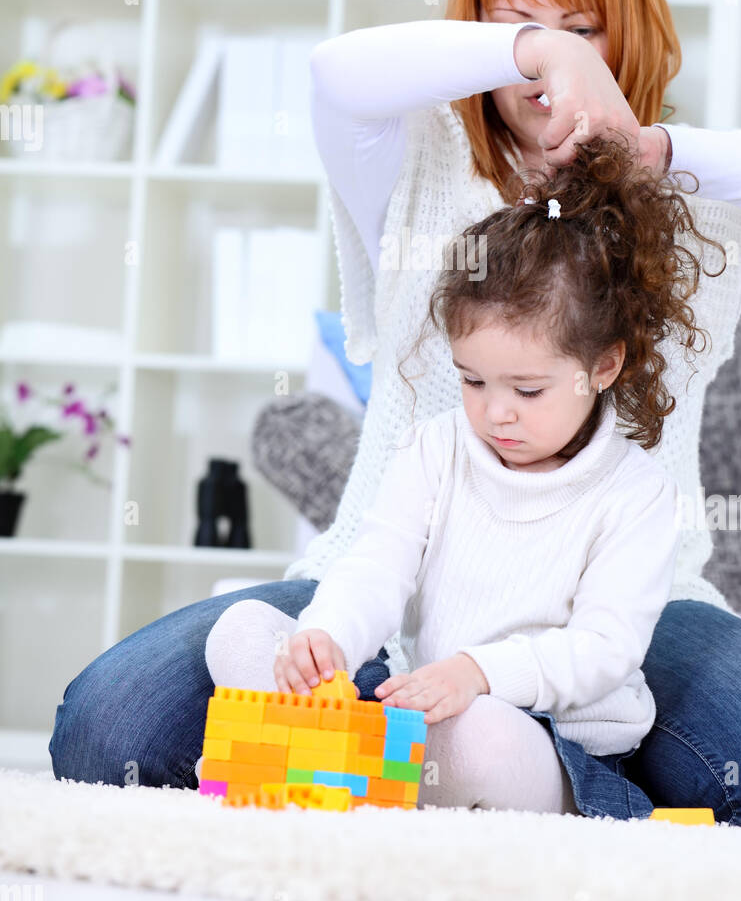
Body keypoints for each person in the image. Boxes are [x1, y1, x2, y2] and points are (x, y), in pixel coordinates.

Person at [49, 0, 741, 829]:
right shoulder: (409, 157)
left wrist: (660, 152)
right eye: (514, 27)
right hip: (387, 586)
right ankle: (439, 758)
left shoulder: (699, 205)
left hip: (633, 611)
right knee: (103, 733)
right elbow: (337, 71)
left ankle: (515, 772)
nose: (549, 63)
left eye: (583, 28)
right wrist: (546, 48)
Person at [203, 139, 710, 815]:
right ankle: (343, 767)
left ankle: (334, 769)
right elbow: (379, 567)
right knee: (238, 629)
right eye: (473, 381)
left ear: (605, 367)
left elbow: (603, 649)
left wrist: (480, 673)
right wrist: (327, 637)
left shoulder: (638, 494)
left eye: (527, 391)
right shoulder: (433, 449)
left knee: (479, 739)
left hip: (545, 732)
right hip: (428, 704)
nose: (495, 412)